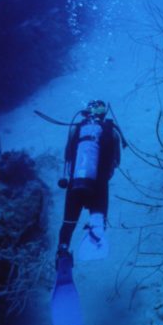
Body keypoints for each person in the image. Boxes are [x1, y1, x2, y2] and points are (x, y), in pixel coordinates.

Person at [56, 99, 122, 270]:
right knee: (97, 220)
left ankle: (63, 251)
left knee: (68, 223)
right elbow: (115, 162)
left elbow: (68, 157)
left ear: (86, 112)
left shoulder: (76, 129)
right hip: (99, 185)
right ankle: (94, 236)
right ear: (104, 112)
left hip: (75, 183)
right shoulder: (111, 131)